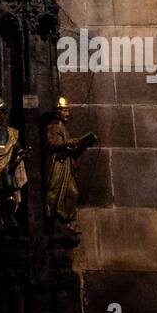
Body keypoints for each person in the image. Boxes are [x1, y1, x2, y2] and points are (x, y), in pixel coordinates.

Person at [44, 97, 98, 234]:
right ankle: (55, 217)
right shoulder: (52, 126)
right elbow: (51, 144)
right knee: (55, 190)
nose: (67, 114)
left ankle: (68, 220)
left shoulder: (63, 127)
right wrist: (68, 143)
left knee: (73, 192)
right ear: (58, 111)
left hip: (67, 163)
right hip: (57, 163)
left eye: (67, 110)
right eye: (65, 110)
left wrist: (80, 146)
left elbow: (66, 147)